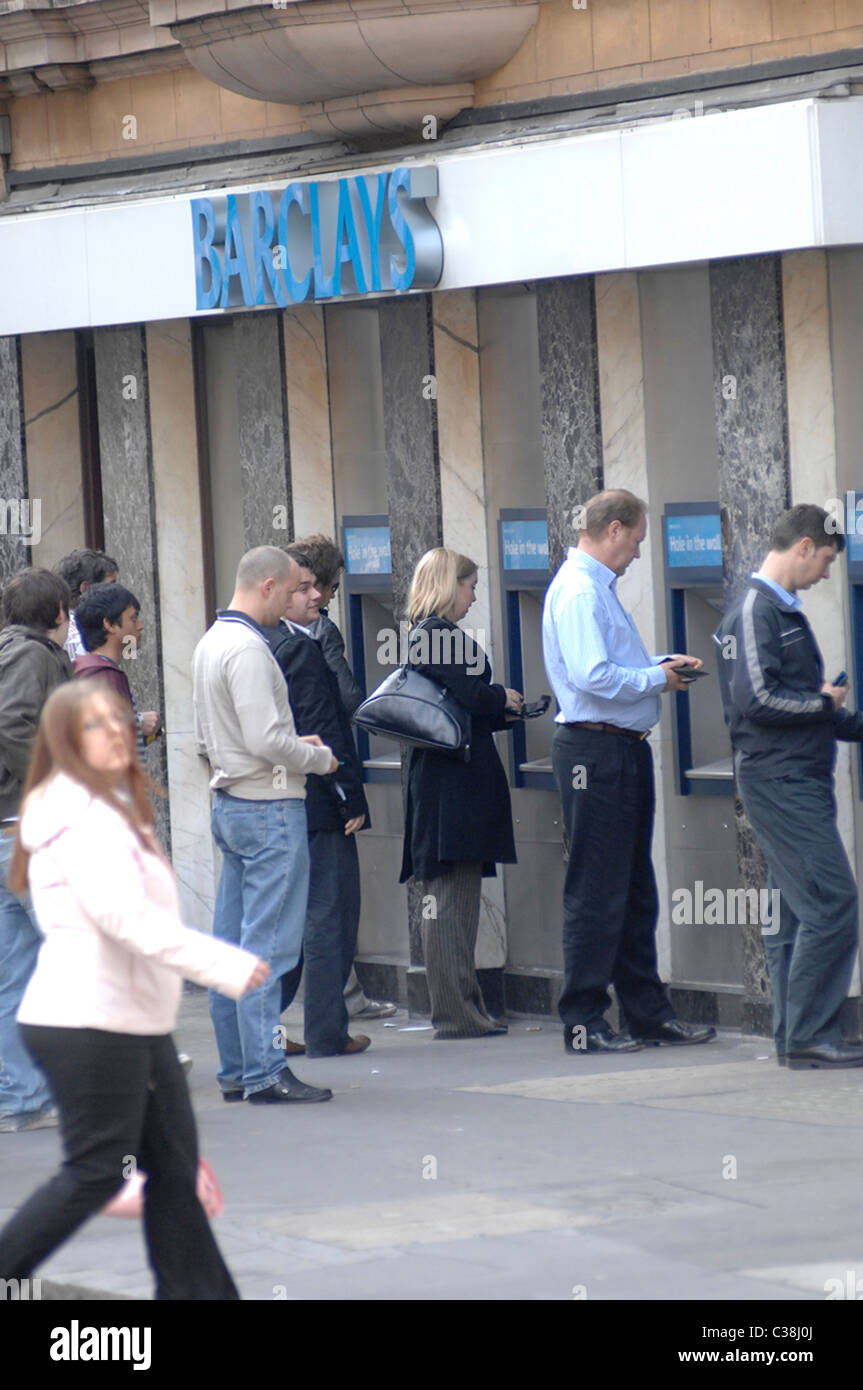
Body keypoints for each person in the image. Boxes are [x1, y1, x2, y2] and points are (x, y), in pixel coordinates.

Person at [0, 683, 267, 1298]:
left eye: (118, 719)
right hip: (87, 1022)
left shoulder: (107, 804)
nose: (115, 731)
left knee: (172, 1173)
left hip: (129, 1021)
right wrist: (220, 963)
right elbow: (128, 922)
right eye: (94, 726)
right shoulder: (78, 818)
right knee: (96, 1172)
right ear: (67, 744)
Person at [542, 489, 716, 1055]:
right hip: (595, 751)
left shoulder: (594, 589)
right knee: (596, 888)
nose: (639, 553)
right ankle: (583, 1021)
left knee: (633, 887)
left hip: (617, 748)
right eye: (637, 540)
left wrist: (657, 665)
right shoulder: (577, 591)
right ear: (614, 530)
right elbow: (593, 675)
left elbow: (609, 667)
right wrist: (656, 680)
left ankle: (646, 1013)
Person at [714, 504, 863, 1069]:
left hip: (795, 777)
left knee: (792, 914)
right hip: (781, 781)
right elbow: (757, 702)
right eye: (825, 561)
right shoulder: (758, 610)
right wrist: (824, 701)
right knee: (833, 902)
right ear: (803, 546)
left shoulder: (779, 611)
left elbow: (801, 708)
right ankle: (809, 1034)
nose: (826, 573)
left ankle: (792, 1035)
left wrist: (836, 713)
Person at [192, 546, 337, 1104]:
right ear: (269, 586)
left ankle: (236, 1070)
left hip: (230, 803)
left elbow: (210, 739)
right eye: (295, 587)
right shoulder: (251, 649)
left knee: (231, 946)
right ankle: (265, 1073)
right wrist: (319, 758)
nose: (305, 597)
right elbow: (266, 740)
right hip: (270, 807)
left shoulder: (210, 643)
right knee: (269, 952)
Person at [400, 547, 522, 1039]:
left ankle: (463, 1006)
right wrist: (501, 698)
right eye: (470, 585)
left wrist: (502, 709)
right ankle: (455, 1013)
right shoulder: (436, 636)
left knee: (458, 899)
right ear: (451, 585)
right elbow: (470, 697)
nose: (474, 596)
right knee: (450, 903)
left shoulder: (429, 635)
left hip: (451, 783)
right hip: (452, 788)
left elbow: (459, 705)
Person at [262, 548, 372, 1057]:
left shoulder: (270, 643)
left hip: (286, 801)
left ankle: (264, 1026)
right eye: (304, 589)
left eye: (316, 587)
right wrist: (349, 795)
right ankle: (327, 1031)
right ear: (280, 594)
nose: (316, 597)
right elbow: (321, 730)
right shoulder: (299, 650)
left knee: (294, 922)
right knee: (331, 917)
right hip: (320, 803)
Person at [298, 532, 397, 1021]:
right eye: (329, 588)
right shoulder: (316, 634)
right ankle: (333, 1013)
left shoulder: (246, 635)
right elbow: (344, 702)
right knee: (332, 904)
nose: (325, 599)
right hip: (322, 785)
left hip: (283, 789)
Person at [0, 567, 73, 1133]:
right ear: (57, 614)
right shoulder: (34, 655)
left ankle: (23, 1099)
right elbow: (15, 720)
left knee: (16, 974)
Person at [73, 582, 162, 757]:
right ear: (110, 625)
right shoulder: (101, 675)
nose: (140, 626)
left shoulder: (94, 670)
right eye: (133, 618)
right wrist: (139, 722)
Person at [54, 548, 118, 661]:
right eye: (110, 586)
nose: (117, 593)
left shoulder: (61, 629)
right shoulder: (80, 639)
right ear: (86, 588)